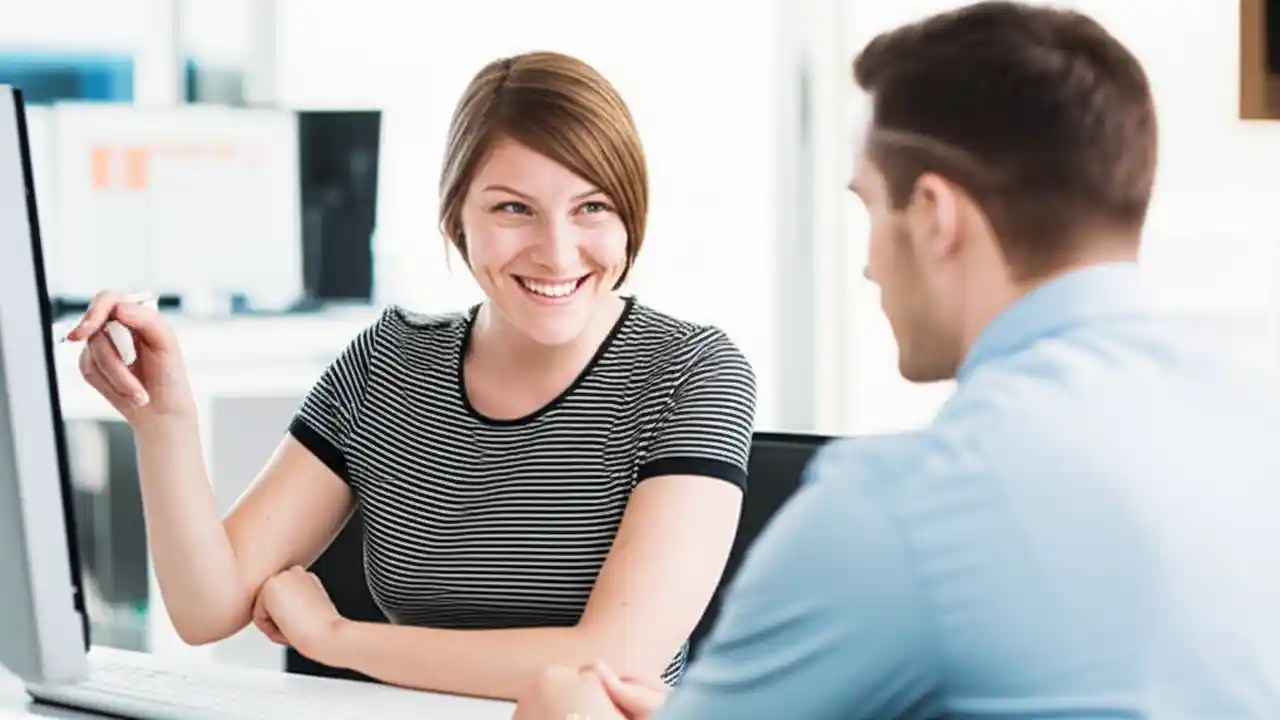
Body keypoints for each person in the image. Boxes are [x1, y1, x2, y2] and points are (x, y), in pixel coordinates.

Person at [515, 2, 1280, 718]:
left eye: (871, 207)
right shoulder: (1256, 423)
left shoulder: (906, 505)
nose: (870, 265)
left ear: (938, 218)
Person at [67, 51, 756, 700]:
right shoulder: (388, 365)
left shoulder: (693, 372)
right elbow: (206, 607)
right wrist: (162, 421)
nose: (556, 251)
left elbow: (614, 660)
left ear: (631, 215)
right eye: (513, 208)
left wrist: (338, 639)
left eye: (592, 208)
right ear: (457, 218)